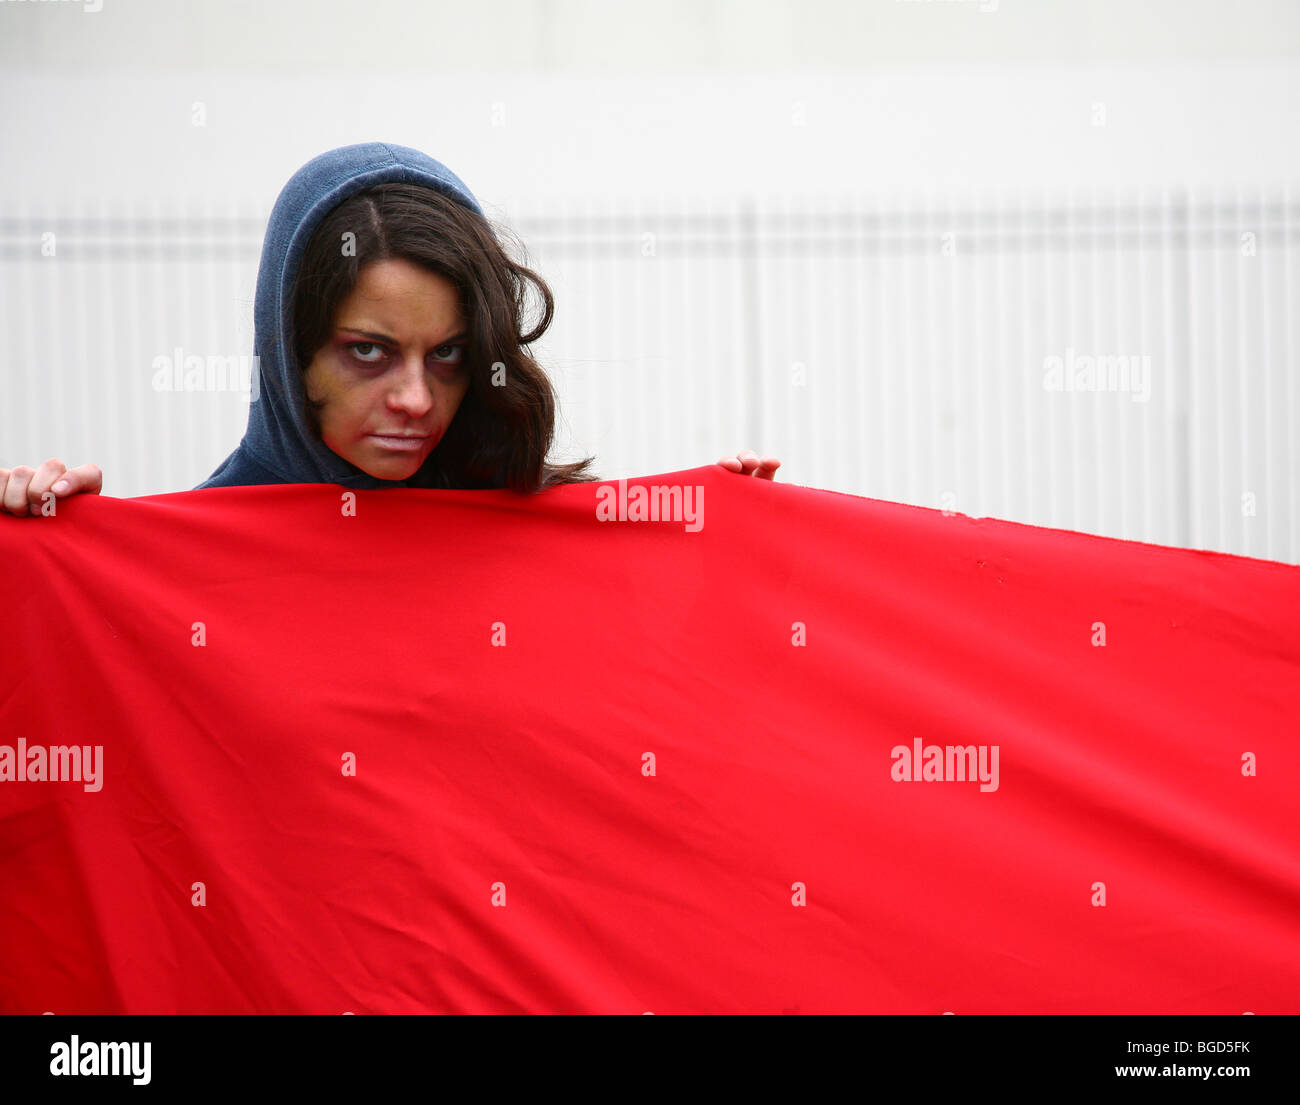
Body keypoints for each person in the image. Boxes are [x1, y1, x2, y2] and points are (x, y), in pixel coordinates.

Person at [1, 142, 781, 517]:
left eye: (447, 355)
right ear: (290, 352)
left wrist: (728, 542)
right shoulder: (179, 571)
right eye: (368, 352)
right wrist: (55, 553)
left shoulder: (536, 538)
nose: (416, 399)